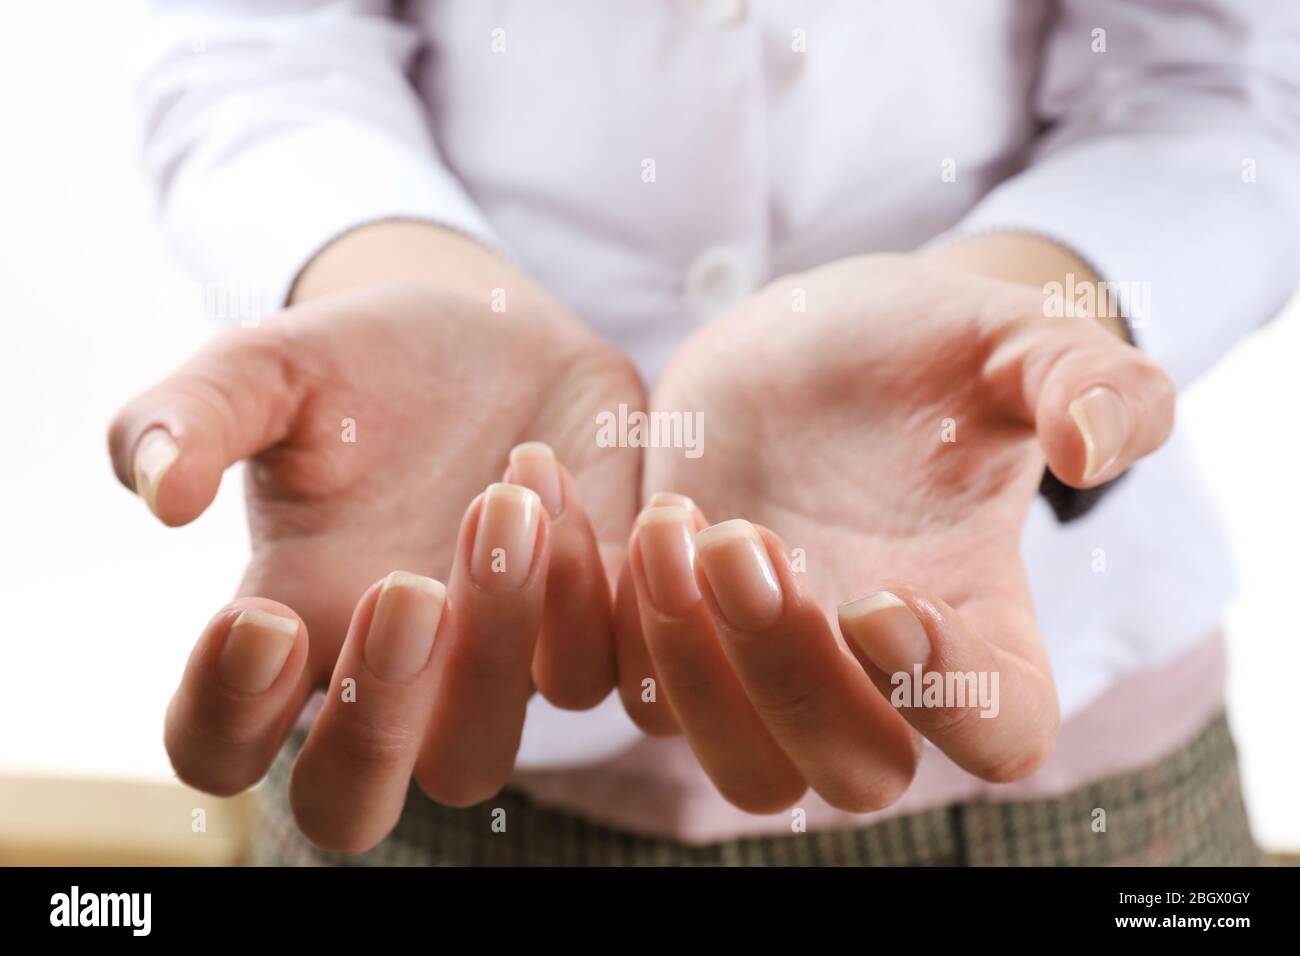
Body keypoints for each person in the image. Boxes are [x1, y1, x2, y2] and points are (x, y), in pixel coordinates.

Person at [109, 0, 1300, 865]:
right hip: (418, 714)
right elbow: (257, 41)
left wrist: (1017, 321)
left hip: (1064, 759)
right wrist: (395, 275)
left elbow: (1222, 78)